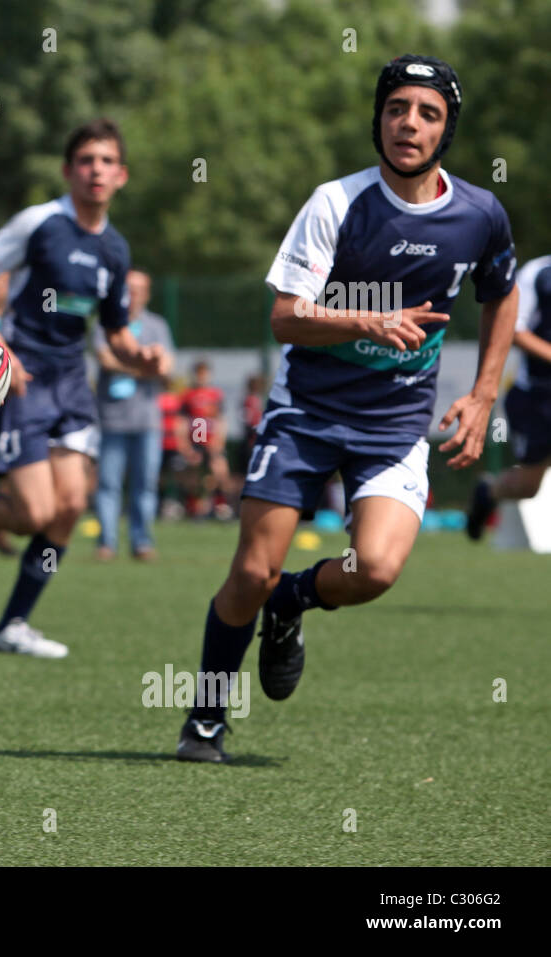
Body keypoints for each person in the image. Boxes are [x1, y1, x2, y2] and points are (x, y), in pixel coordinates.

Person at [176, 55, 518, 763]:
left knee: (377, 570)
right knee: (248, 572)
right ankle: (207, 714)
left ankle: (293, 601)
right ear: (378, 118)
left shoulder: (480, 214)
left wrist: (486, 391)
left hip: (394, 425)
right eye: (397, 108)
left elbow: (501, 290)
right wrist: (367, 323)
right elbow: (285, 317)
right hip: (305, 412)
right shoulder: (337, 203)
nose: (409, 123)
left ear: (447, 128)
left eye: (427, 112)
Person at [0, 118, 165, 658]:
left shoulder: (115, 248)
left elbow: (114, 333)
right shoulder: (41, 224)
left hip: (72, 385)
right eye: (86, 160)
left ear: (122, 175)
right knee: (32, 516)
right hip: (25, 382)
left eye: (106, 162)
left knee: (69, 508)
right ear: (69, 171)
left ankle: (12, 626)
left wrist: (141, 355)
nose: (96, 170)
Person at [466, 254, 551, 537]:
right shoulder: (539, 273)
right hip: (537, 396)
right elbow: (515, 329)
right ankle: (489, 490)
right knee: (528, 486)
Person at [92, 269, 174, 560]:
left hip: (147, 420)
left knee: (145, 484)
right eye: (130, 288)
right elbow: (105, 358)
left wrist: (155, 367)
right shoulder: (107, 321)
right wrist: (143, 367)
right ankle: (106, 543)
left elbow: (167, 367)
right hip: (111, 417)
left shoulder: (158, 326)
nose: (135, 293)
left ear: (148, 294)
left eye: (140, 288)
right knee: (108, 484)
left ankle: (142, 542)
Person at [181, 359, 232, 519]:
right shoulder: (188, 395)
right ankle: (195, 508)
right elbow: (181, 423)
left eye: (204, 373)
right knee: (195, 475)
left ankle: (220, 506)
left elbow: (221, 420)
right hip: (196, 441)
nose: (202, 377)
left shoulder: (215, 395)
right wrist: (186, 446)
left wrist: (219, 442)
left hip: (212, 441)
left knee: (220, 472)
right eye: (199, 374)